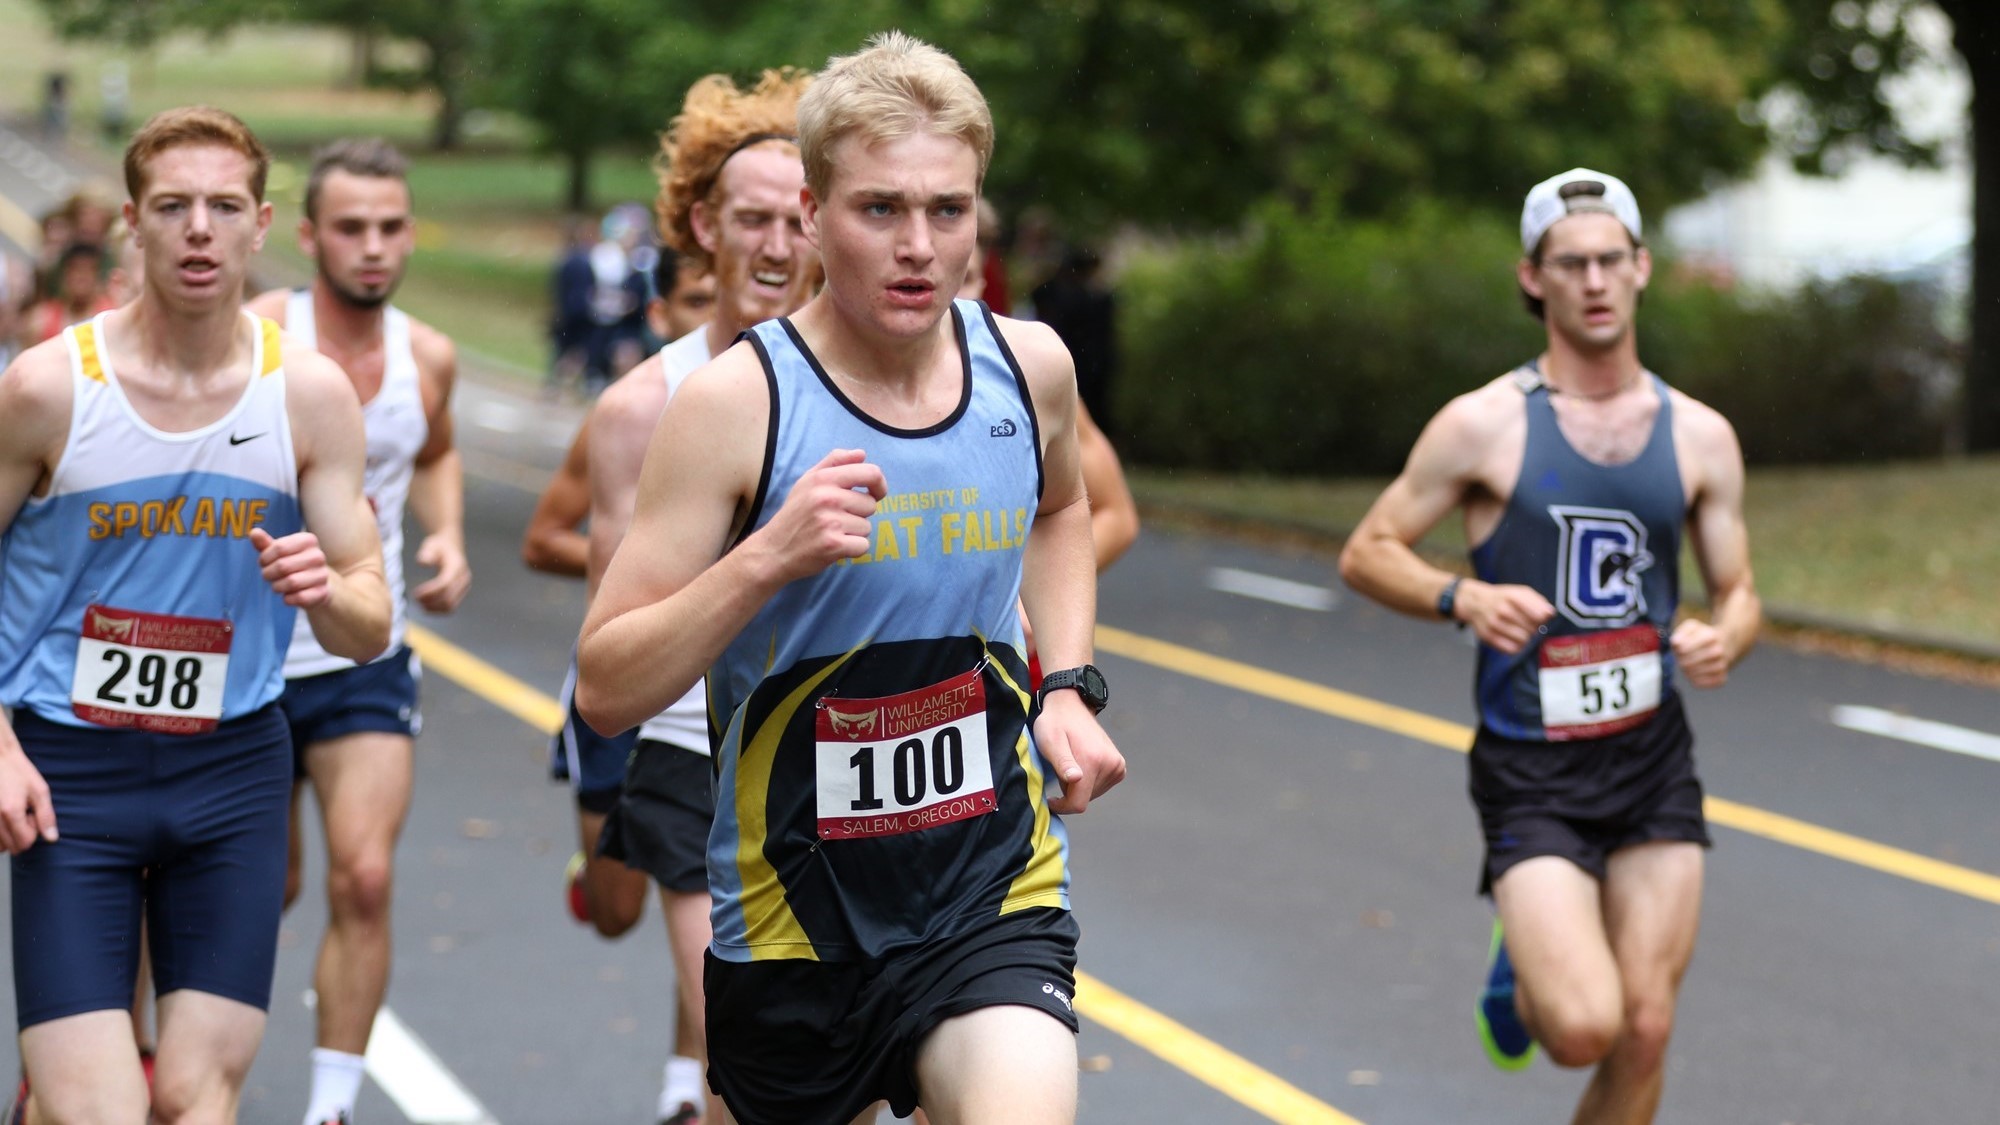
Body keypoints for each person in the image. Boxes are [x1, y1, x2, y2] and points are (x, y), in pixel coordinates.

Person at [577, 33, 1126, 1124]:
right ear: (816, 211)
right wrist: (766, 557)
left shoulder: (1029, 366)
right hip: (794, 920)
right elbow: (607, 684)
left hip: (985, 885)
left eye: (948, 210)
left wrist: (1065, 684)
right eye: (880, 210)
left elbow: (1060, 509)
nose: (919, 246)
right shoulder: (737, 406)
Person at [1338, 168, 1761, 1124]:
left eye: (1612, 260)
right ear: (1535, 280)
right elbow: (1367, 550)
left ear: (1644, 269)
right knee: (1580, 1027)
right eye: (1572, 264)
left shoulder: (1701, 435)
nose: (1596, 281)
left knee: (1646, 1026)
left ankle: (1553, 943)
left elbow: (1738, 590)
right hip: (1532, 767)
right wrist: (1462, 595)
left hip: (1653, 759)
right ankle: (1527, 962)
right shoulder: (1484, 423)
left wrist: (1720, 635)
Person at [0, 105, 390, 1125]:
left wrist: (327, 590)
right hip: (67, 773)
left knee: (193, 1097)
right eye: (173, 206)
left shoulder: (307, 396)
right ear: (134, 221)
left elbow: (367, 623)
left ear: (262, 226)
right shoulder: (47, 390)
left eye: (224, 206)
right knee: (96, 1112)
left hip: (232, 775)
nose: (199, 230)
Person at [561, 69, 817, 1125]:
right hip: (691, 754)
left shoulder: (889, 380)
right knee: (746, 1064)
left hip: (849, 747)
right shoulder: (641, 409)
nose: (773, 245)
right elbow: (621, 643)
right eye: (748, 217)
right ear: (702, 227)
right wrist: (769, 558)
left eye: (796, 218)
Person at [244, 137, 470, 1125]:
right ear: (308, 237)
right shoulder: (255, 334)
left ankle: (330, 1107)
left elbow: (437, 447)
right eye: (350, 228)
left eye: (389, 228)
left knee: (364, 874)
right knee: (263, 886)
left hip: (364, 648)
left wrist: (451, 534)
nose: (372, 248)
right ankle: (149, 1048)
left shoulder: (428, 355)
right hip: (240, 656)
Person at [521, 247, 714, 580]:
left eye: (726, 301)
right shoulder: (627, 411)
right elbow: (544, 542)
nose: (715, 319)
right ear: (659, 315)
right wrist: (670, 572)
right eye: (697, 302)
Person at [23, 242, 116, 347]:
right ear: (65, 275)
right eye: (76, 270)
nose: (81, 278)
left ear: (97, 276)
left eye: (87, 271)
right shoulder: (41, 320)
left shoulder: (111, 316)